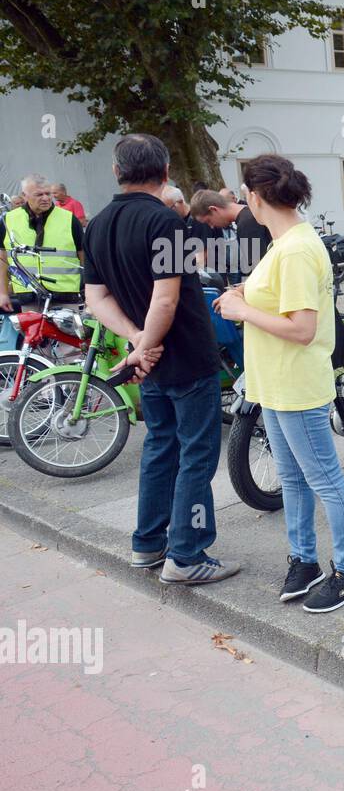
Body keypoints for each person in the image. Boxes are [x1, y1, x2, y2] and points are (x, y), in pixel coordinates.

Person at [214, 155, 344, 612]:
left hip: (296, 384)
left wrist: (243, 311)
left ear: (255, 197)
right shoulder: (284, 243)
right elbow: (277, 297)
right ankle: (305, 561)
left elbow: (303, 328)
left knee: (324, 479)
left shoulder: (298, 248)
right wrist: (244, 293)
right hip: (275, 384)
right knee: (293, 479)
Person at [82, 133, 238, 583]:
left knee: (159, 448)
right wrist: (145, 343)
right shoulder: (167, 223)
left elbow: (96, 298)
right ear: (166, 173)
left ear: (116, 171)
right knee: (196, 456)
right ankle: (186, 556)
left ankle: (147, 544)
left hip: (148, 361)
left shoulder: (97, 224)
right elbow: (167, 300)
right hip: (186, 355)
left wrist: (136, 342)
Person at [0, 173, 85, 321]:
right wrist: (2, 293)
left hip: (65, 297)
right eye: (39, 194)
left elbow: (86, 259)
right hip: (29, 297)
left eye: (48, 194)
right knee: (33, 343)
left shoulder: (69, 219)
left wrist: (91, 293)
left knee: (67, 344)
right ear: (24, 196)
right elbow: (2, 260)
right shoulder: (8, 221)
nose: (45, 198)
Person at [189, 189, 270, 283]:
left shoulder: (246, 224)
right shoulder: (248, 215)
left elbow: (260, 270)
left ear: (213, 209)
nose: (211, 226)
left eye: (209, 221)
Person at [162, 185, 217, 271]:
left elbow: (202, 257)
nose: (166, 213)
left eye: (170, 209)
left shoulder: (199, 219)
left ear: (180, 202)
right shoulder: (176, 221)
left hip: (209, 275)